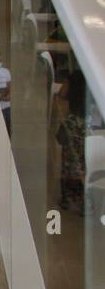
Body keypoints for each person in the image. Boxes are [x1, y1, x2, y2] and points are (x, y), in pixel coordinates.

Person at [55, 70, 89, 215]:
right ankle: (85, 203)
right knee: (87, 164)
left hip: (74, 124)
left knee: (69, 163)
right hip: (93, 125)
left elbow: (62, 94)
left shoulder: (77, 74)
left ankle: (67, 200)